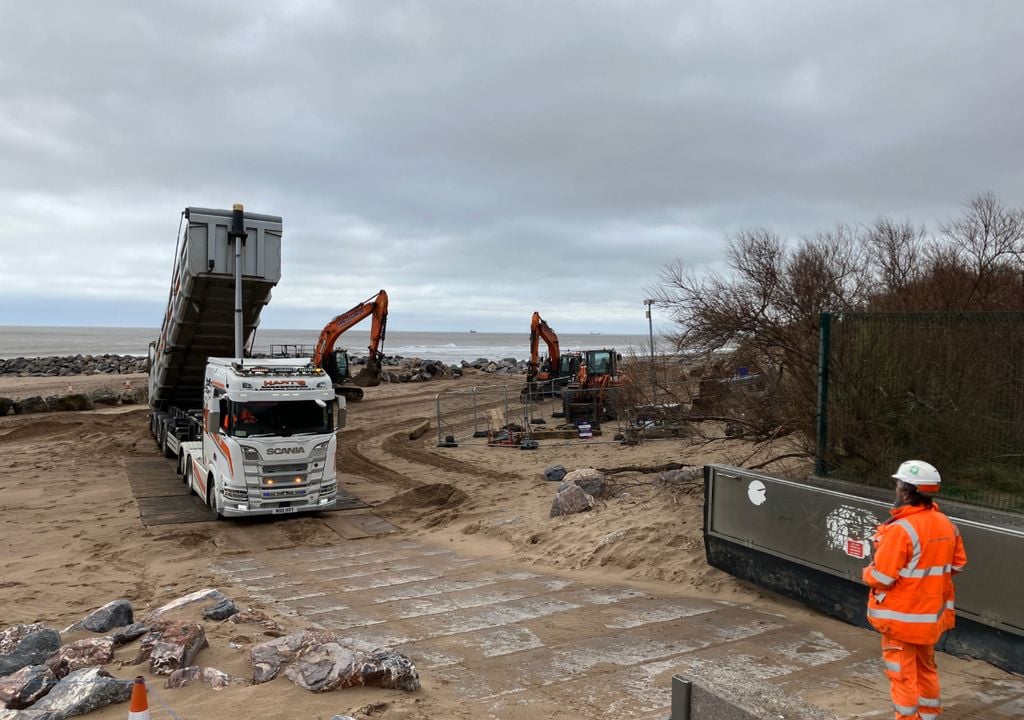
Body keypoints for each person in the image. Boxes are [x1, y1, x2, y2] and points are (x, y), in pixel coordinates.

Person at [862, 460, 967, 720]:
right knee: (926, 668)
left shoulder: (901, 530)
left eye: (898, 485)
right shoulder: (946, 524)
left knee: (902, 675)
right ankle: (929, 716)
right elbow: (957, 564)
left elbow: (882, 577)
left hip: (900, 619)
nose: (896, 489)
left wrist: (866, 571)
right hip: (930, 618)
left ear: (907, 491)